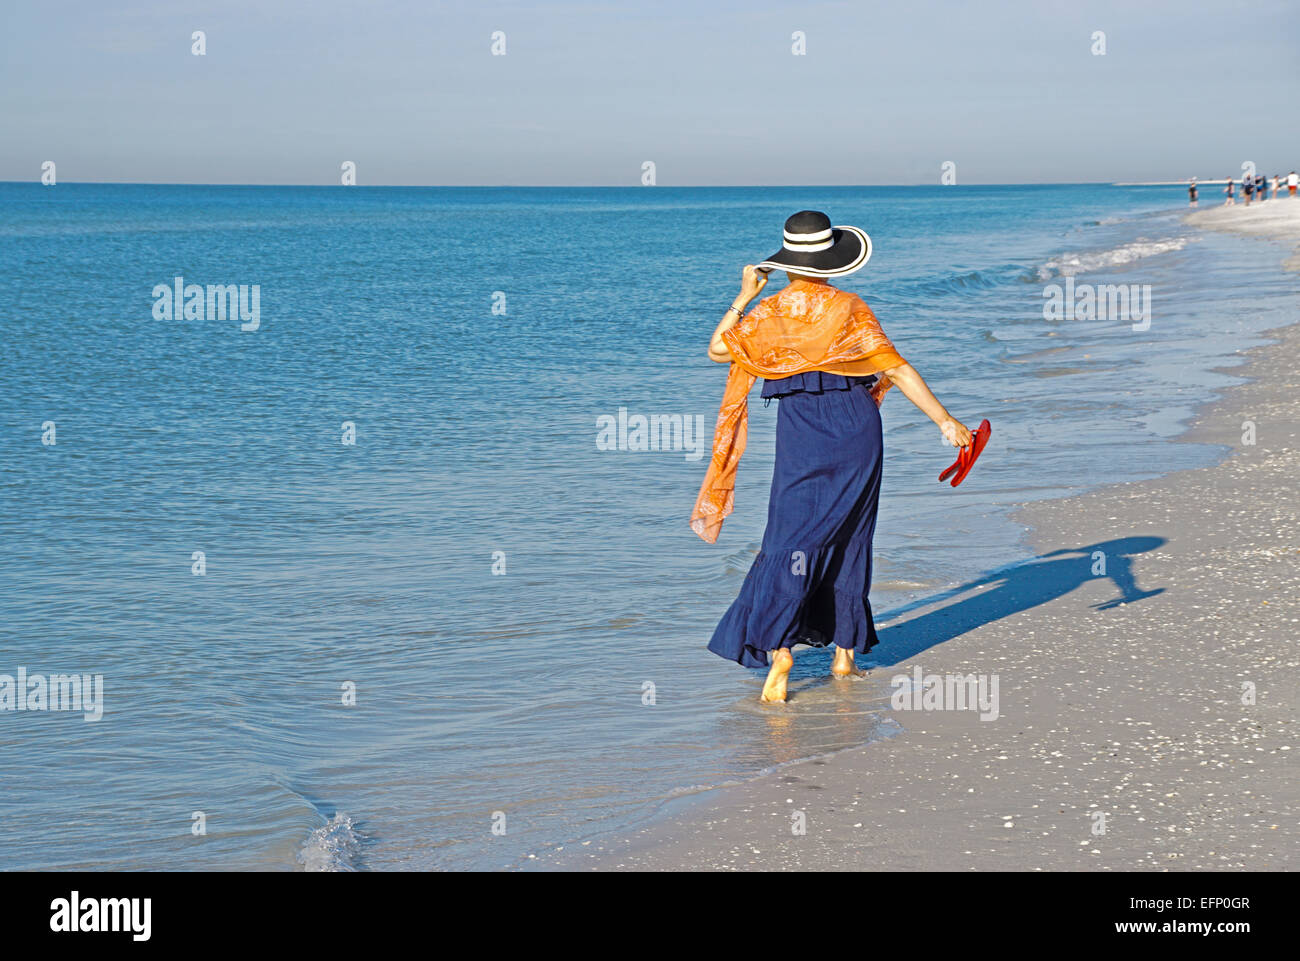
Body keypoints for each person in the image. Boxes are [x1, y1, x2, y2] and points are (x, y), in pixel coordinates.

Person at [693, 210, 973, 703]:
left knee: (788, 538)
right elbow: (898, 369)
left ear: (785, 263)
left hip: (800, 434)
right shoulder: (848, 308)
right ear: (831, 263)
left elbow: (718, 350)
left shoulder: (770, 313)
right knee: (851, 534)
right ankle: (845, 655)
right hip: (857, 431)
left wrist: (745, 296)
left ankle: (780, 649)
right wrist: (945, 421)